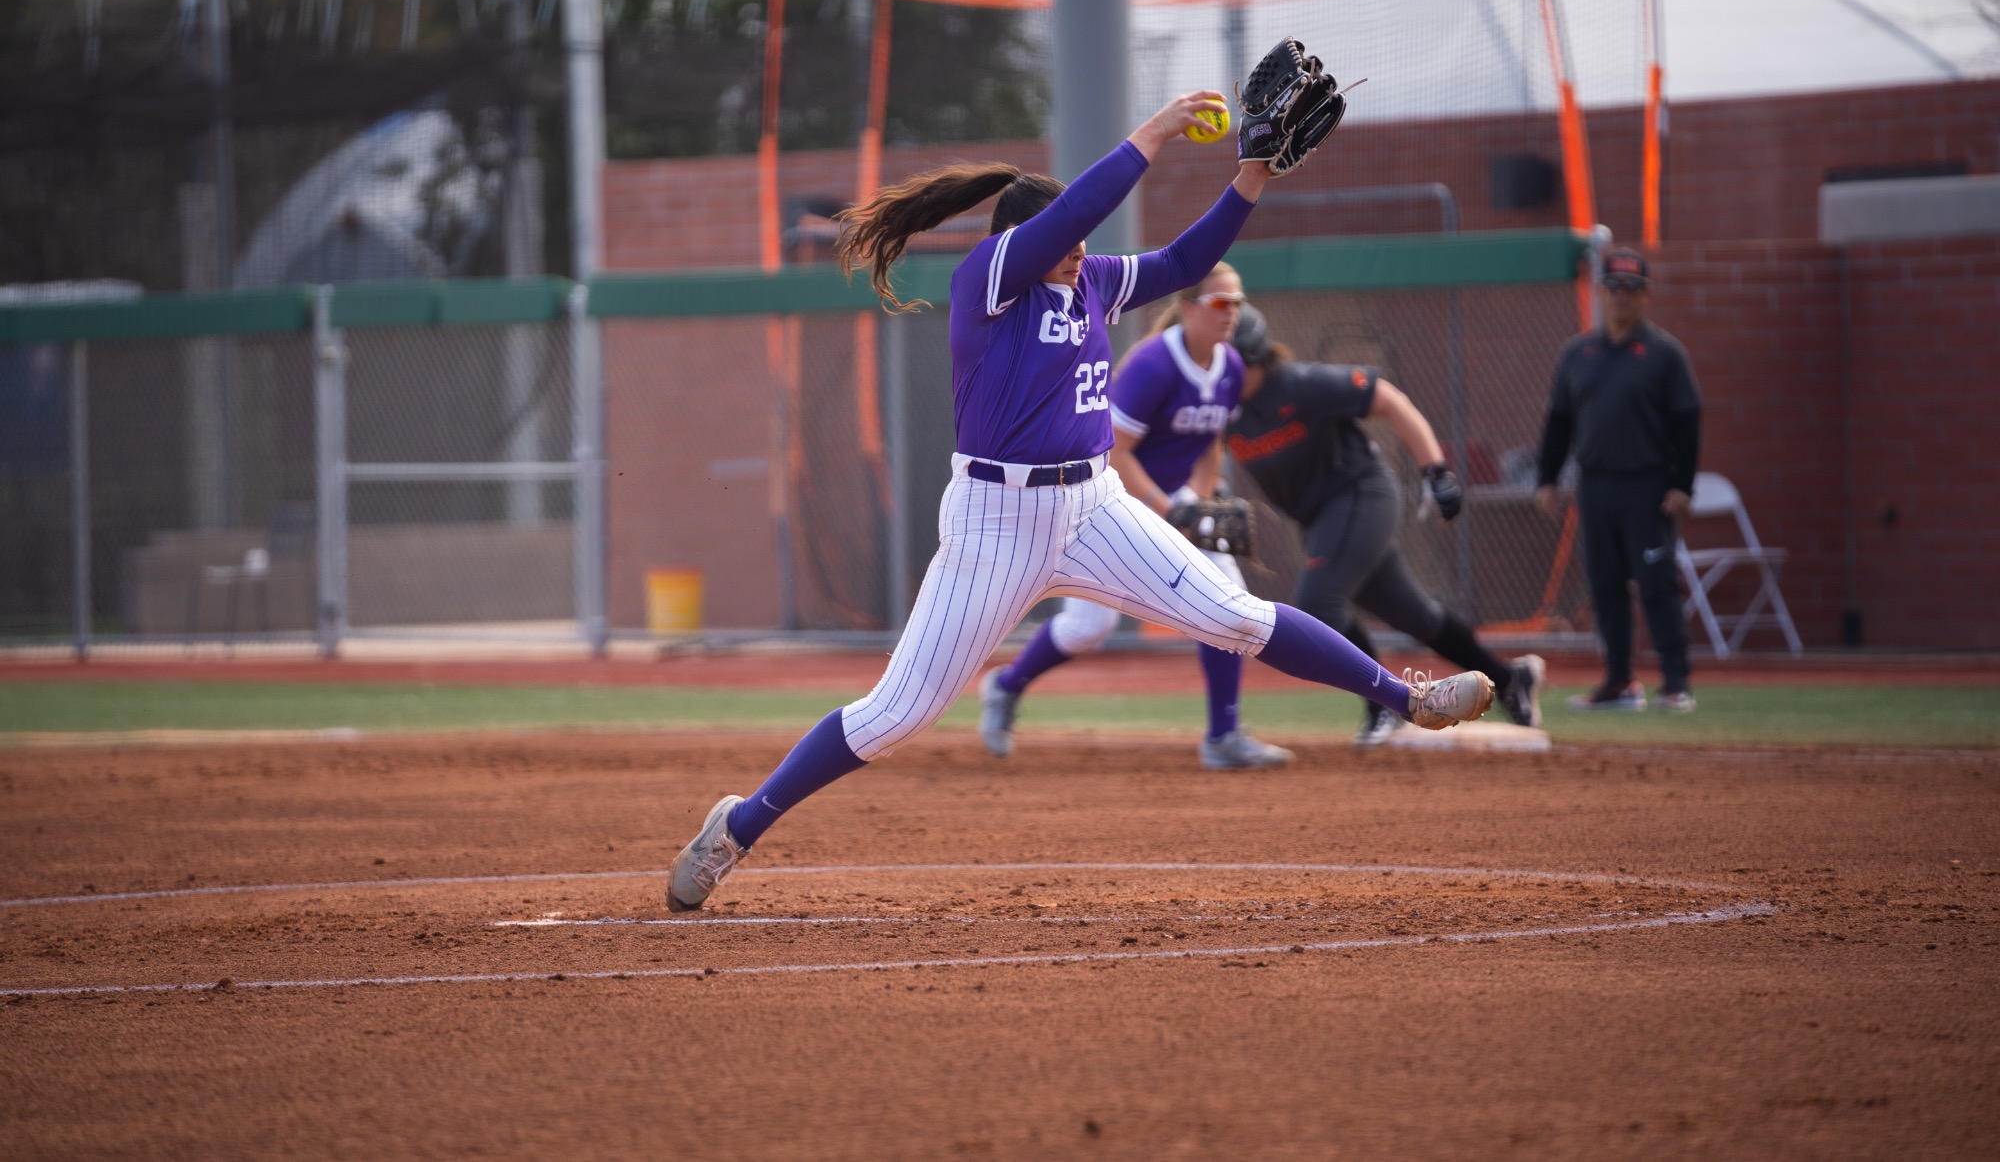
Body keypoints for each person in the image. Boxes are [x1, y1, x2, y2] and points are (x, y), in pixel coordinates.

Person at [665, 91, 1495, 913]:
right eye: (1062, 235)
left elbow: (1181, 265)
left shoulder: (1089, 281)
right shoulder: (986, 282)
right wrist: (1158, 130)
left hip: (1094, 507)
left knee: (1237, 614)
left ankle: (1408, 697)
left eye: (1078, 238)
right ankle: (735, 828)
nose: (1079, 246)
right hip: (995, 524)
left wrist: (1251, 174)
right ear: (1021, 240)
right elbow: (1071, 218)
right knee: (894, 715)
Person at [976, 261, 1293, 770]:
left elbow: (1212, 441)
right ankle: (1006, 686)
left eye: (1238, 304)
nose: (1230, 314)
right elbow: (1116, 452)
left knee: (1229, 601)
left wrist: (1198, 499)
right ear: (1189, 308)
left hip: (1175, 502)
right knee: (1089, 627)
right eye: (1219, 303)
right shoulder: (1153, 366)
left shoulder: (1230, 366)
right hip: (1110, 499)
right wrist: (1172, 509)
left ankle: (1222, 735)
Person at [1226, 302, 1546, 746]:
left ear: (1253, 355)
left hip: (1363, 496)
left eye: (1226, 360)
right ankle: (1511, 678)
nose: (1216, 371)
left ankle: (1384, 706)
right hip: (1322, 521)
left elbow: (1390, 399)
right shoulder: (1225, 408)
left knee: (1318, 607)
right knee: (1417, 616)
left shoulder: (1301, 384)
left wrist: (1436, 472)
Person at [1534, 247, 1701, 712]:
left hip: (1648, 486)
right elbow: (1559, 422)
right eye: (1613, 288)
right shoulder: (1578, 353)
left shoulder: (1665, 355)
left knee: (1656, 583)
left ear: (1645, 295)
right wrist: (1546, 478)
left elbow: (1687, 423)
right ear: (1601, 292)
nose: (1621, 297)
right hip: (1596, 484)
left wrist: (1681, 485)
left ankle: (1675, 682)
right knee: (1605, 587)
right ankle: (1619, 682)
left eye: (1631, 289)